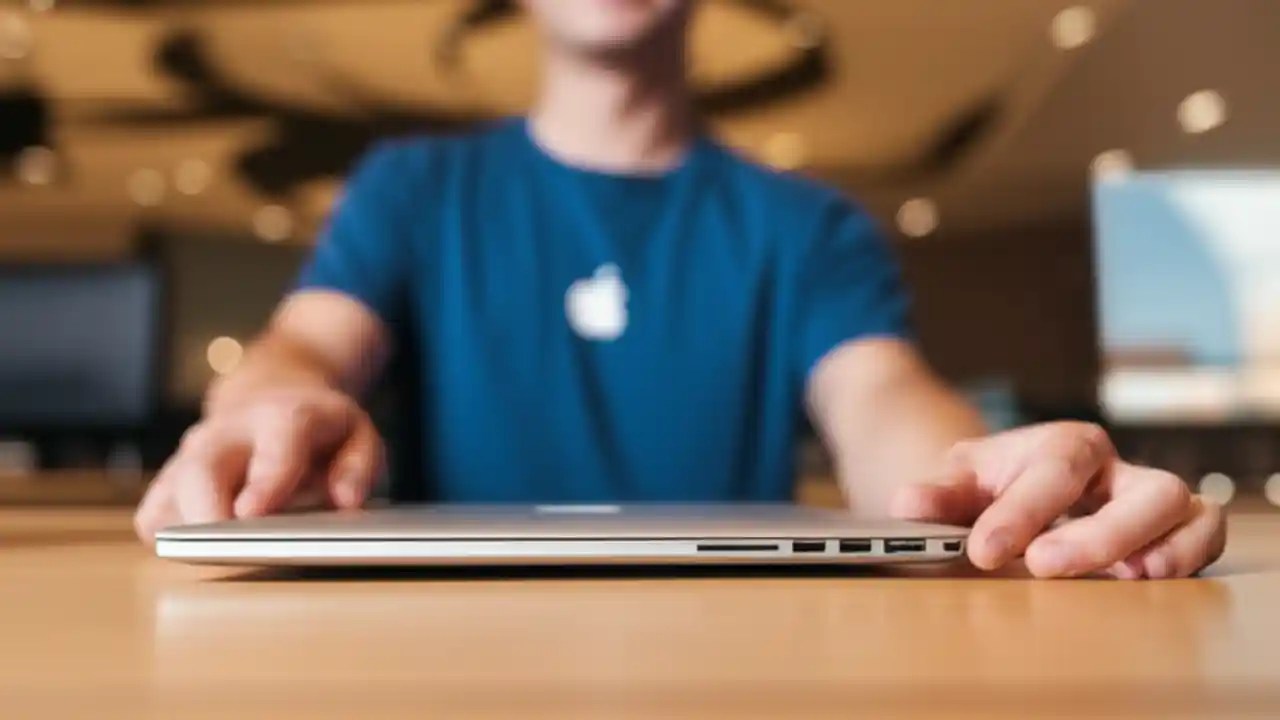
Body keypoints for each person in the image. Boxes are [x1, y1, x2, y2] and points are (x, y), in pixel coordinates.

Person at [134, 0, 1225, 579]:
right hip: (440, 664)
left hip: (741, 671)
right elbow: (301, 355)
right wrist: (265, 413)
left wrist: (985, 483)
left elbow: (883, 405)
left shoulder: (806, 228)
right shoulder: (413, 191)